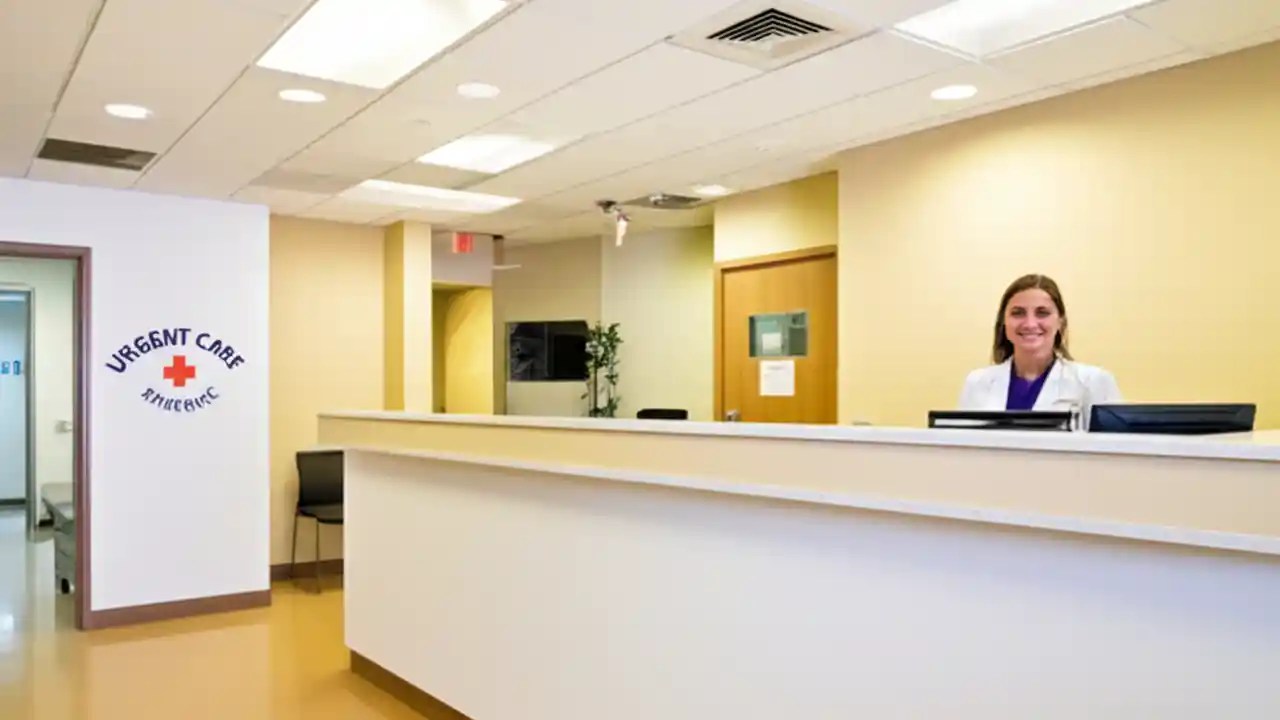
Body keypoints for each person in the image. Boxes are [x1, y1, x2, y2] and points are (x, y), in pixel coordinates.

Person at [958, 274, 1121, 419]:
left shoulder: (1094, 382)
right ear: (1003, 322)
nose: (1030, 324)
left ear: (1060, 322)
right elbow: (962, 442)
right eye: (1018, 313)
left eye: (1042, 313)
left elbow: (1115, 442)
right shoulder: (976, 382)